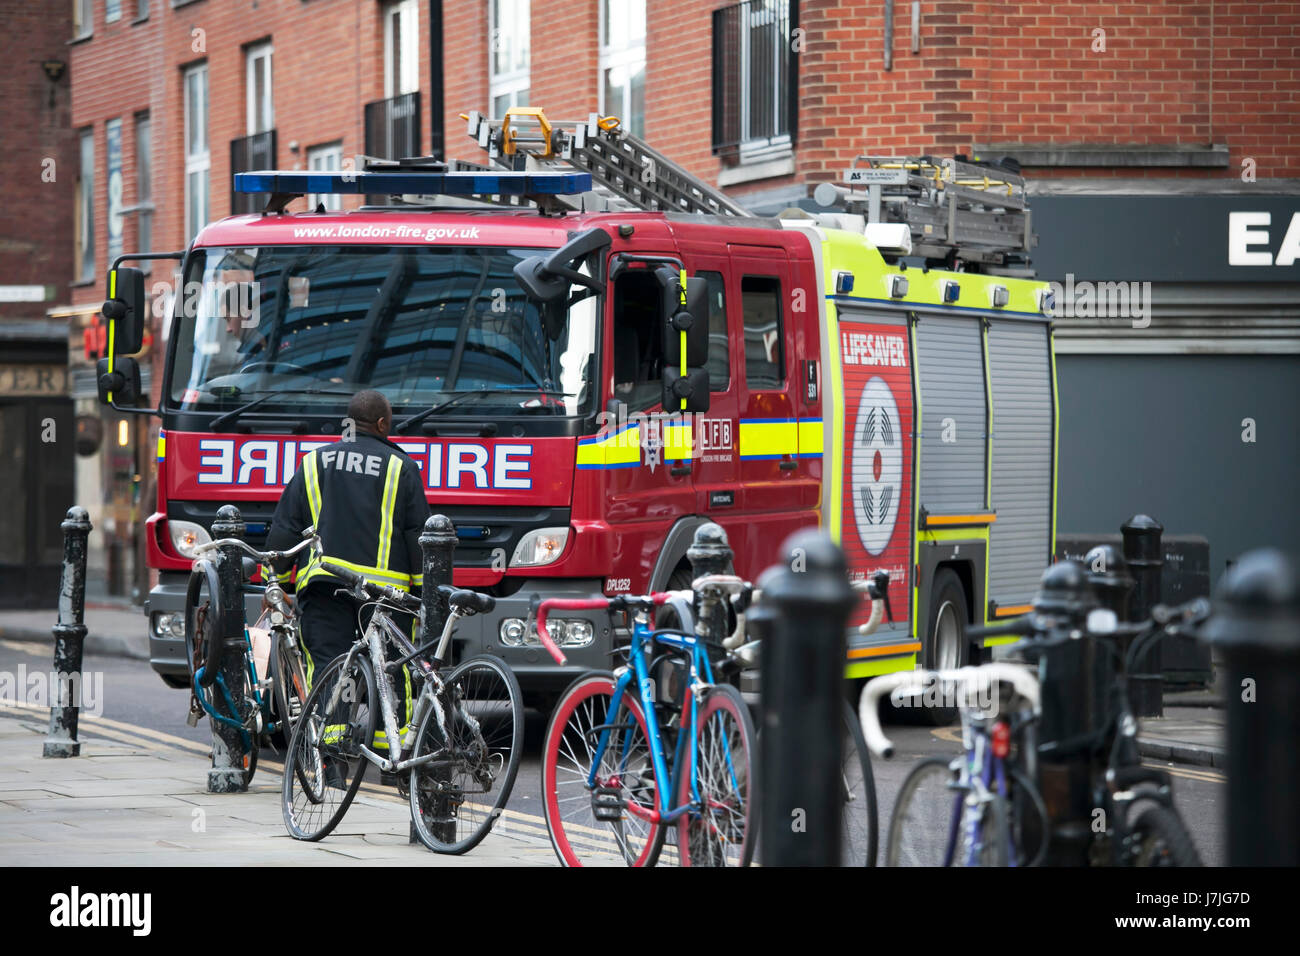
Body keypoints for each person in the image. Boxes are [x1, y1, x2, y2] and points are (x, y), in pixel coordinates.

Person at [264, 391, 431, 736]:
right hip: (386, 593)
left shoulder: (313, 462)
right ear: (382, 423)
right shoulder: (401, 466)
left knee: (329, 665)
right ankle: (392, 751)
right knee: (392, 668)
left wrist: (277, 583)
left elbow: (285, 528)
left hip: (325, 585)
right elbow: (418, 537)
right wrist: (424, 593)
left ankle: (331, 750)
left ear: (349, 422)